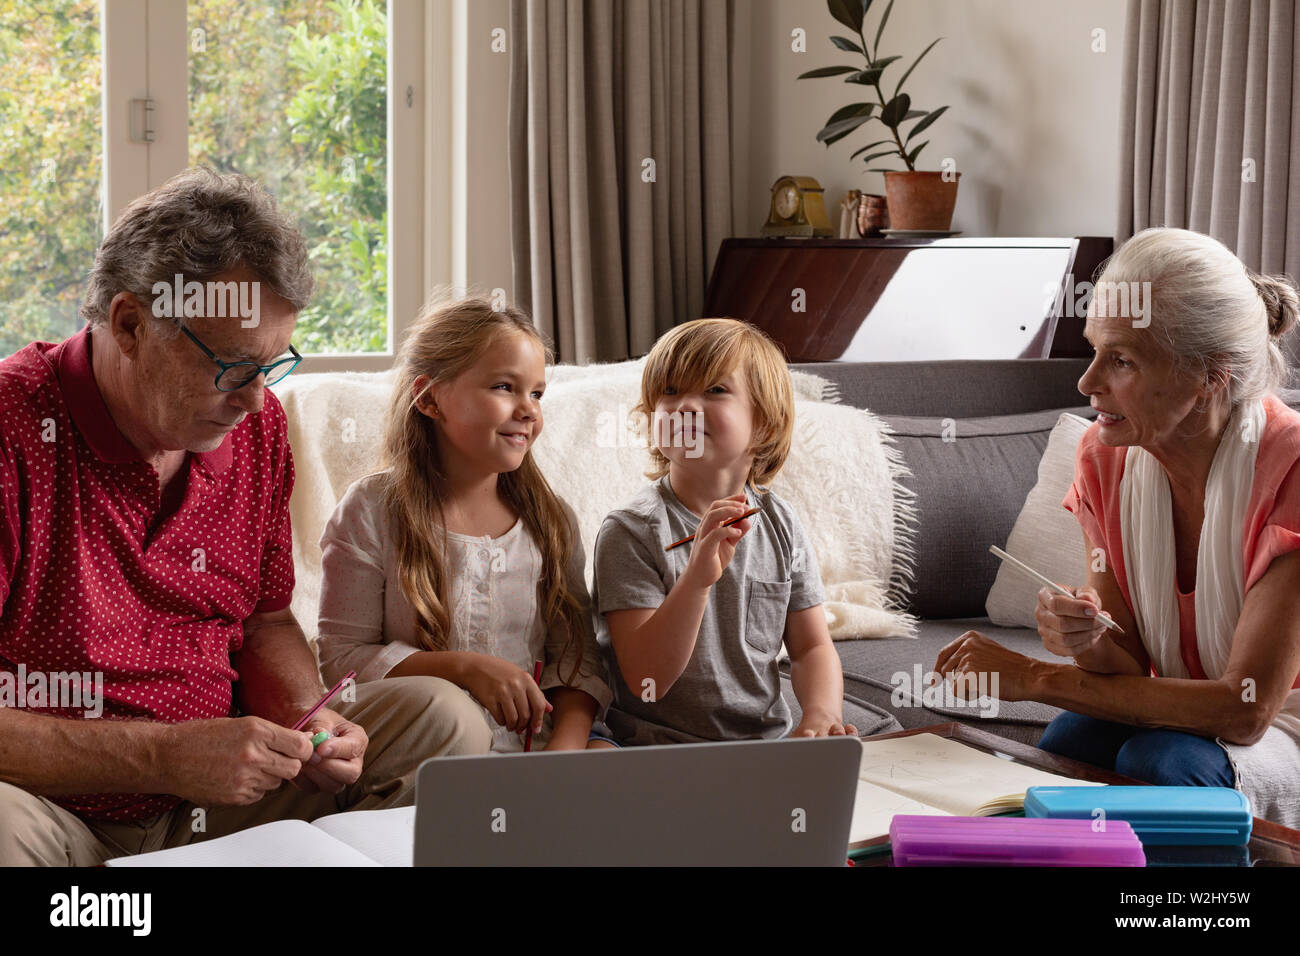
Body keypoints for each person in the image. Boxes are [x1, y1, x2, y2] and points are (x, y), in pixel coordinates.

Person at [0, 168, 489, 866]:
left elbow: (262, 619)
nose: (257, 402)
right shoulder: (13, 427)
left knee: (441, 720)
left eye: (272, 365)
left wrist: (309, 720)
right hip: (46, 810)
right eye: (231, 366)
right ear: (130, 323)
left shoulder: (252, 433)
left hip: (220, 800)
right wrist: (162, 757)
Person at [934, 227, 1300, 827]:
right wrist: (1088, 638)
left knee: (1160, 760)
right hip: (1201, 713)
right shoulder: (1102, 457)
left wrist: (1032, 676)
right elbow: (1125, 662)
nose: (1087, 382)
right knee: (1074, 740)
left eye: (1122, 360)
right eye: (1094, 349)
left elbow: (1245, 710)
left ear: (1212, 375)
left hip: (1285, 722)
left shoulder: (1291, 470)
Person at [315, 296, 613, 752]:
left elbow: (576, 661)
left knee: (608, 763)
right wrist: (465, 667)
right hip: (423, 750)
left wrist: (563, 755)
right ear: (429, 398)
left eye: (536, 393)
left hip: (536, 751)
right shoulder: (370, 510)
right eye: (503, 387)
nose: (529, 409)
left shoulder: (551, 521)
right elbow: (342, 661)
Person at [592, 317, 857, 745]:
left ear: (764, 424)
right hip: (654, 746)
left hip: (765, 744)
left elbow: (811, 648)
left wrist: (821, 713)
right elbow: (647, 679)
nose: (684, 406)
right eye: (670, 391)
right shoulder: (630, 530)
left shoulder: (781, 522)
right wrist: (696, 581)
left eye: (714, 389)